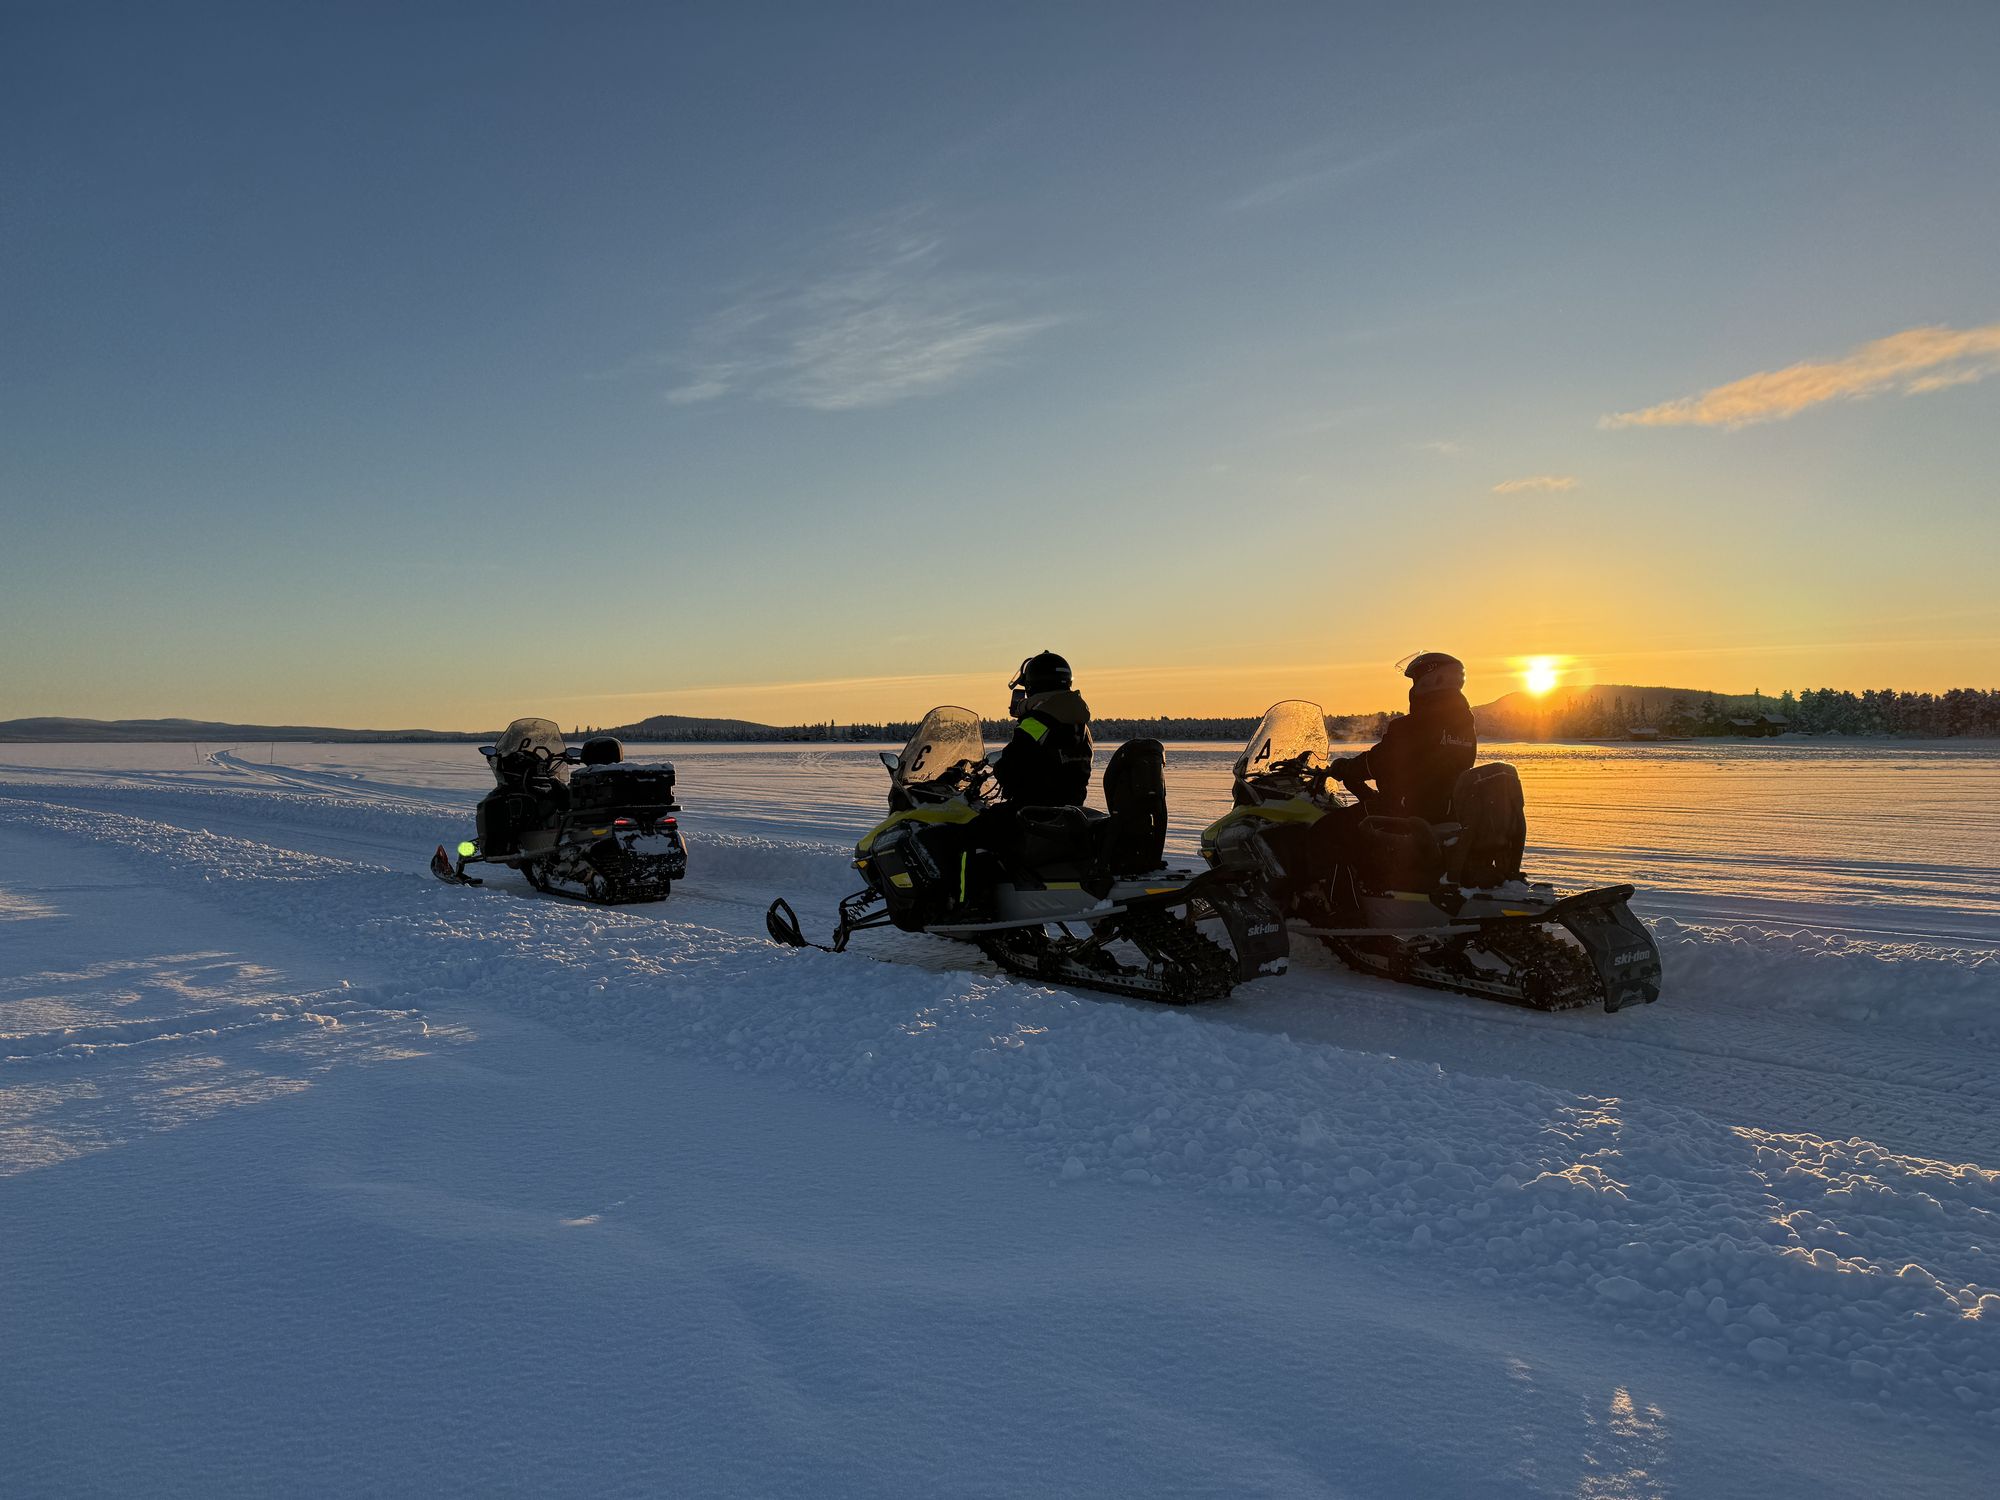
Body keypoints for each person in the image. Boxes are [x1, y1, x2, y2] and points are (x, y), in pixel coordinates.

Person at [1332, 651, 1477, 823]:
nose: (1413, 688)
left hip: (1405, 814)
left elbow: (1379, 761)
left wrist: (1343, 767)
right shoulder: (1464, 726)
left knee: (1324, 829)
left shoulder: (1413, 725)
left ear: (1433, 680)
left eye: (1416, 680)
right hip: (1444, 815)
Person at [992, 650, 1093, 808]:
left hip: (1033, 812)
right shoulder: (1080, 725)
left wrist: (998, 768)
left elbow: (1009, 766)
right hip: (1068, 812)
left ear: (1033, 685)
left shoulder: (1038, 721)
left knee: (963, 830)